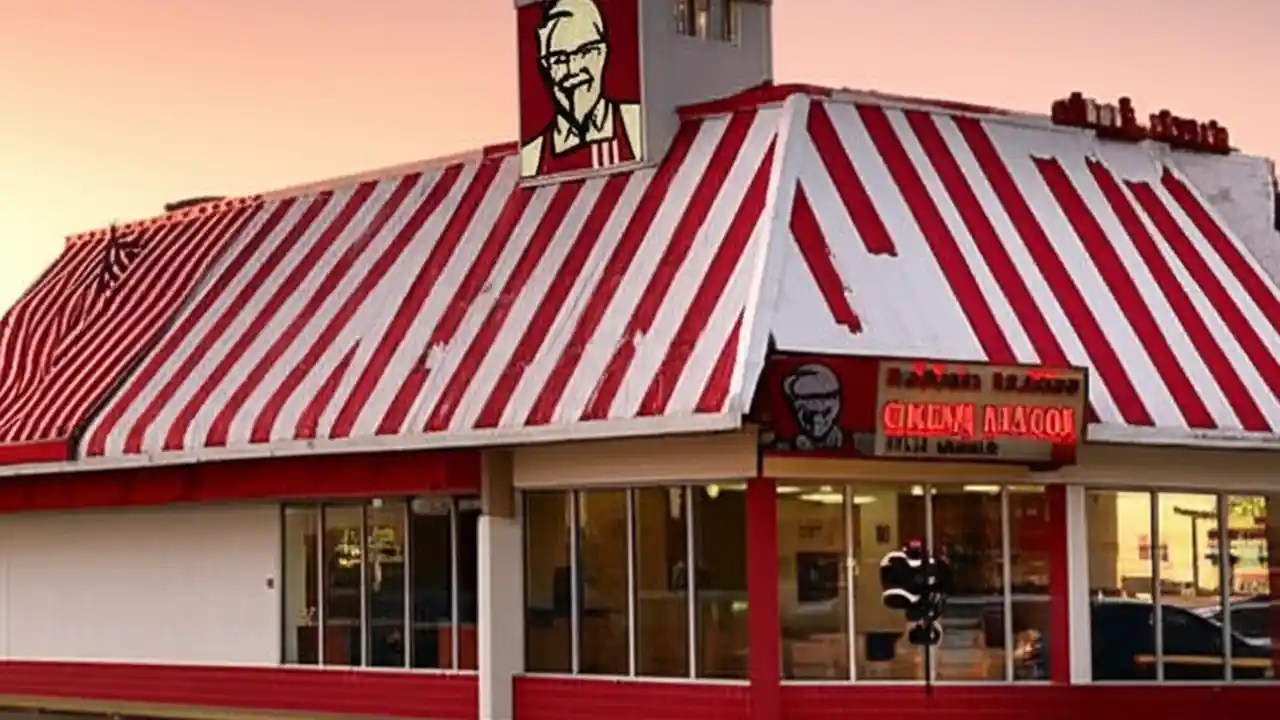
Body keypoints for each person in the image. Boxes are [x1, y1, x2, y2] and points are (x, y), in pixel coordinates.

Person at [521, 0, 643, 177]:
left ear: (602, 54)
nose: (573, 68)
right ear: (546, 68)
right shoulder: (531, 158)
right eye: (559, 59)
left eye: (585, 52)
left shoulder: (638, 126)